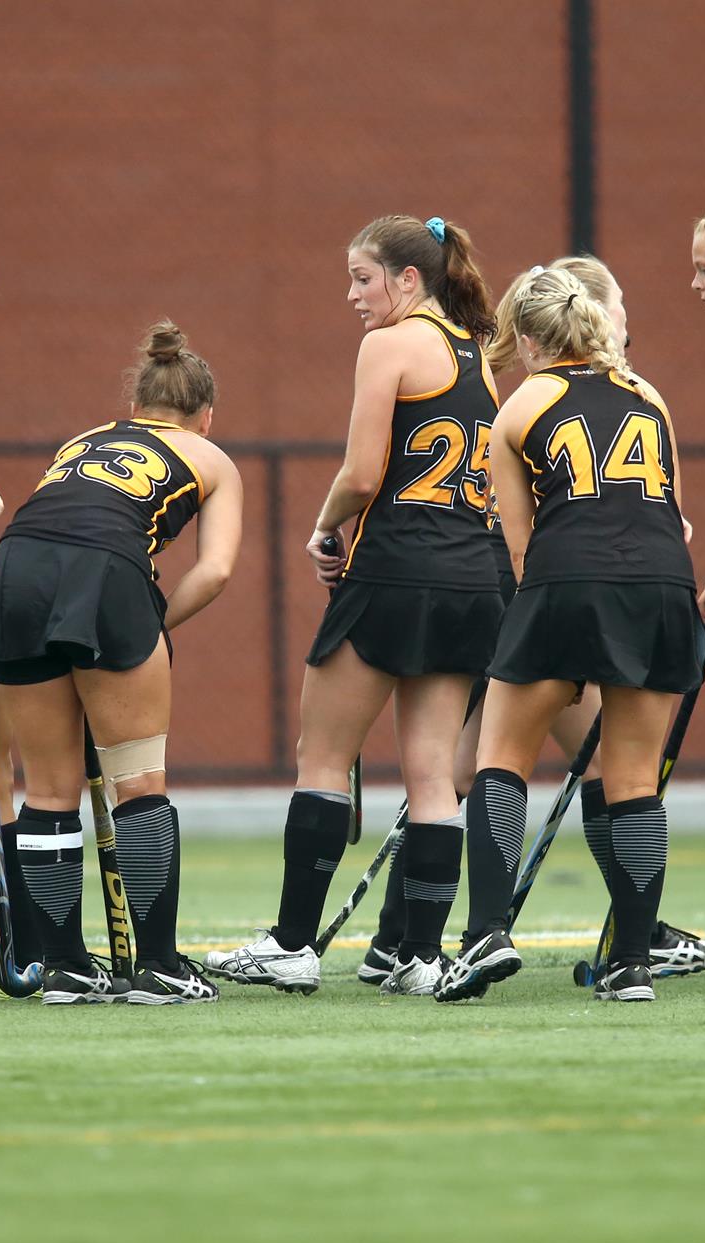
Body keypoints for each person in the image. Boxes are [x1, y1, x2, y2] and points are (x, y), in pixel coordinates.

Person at [359, 253, 705, 988]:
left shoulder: (521, 406)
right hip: (661, 586)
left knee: (500, 757)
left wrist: (553, 626)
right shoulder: (648, 394)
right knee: (632, 780)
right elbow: (676, 520)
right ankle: (631, 962)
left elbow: (522, 546)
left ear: (528, 341)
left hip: (564, 582)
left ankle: (487, 932)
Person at [207, 214, 503, 997]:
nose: (353, 296)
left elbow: (364, 472)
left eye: (363, 279)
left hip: (396, 572)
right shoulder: (481, 356)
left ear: (410, 280)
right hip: (473, 580)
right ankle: (420, 957)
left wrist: (323, 524)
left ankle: (292, 943)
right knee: (434, 776)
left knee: (323, 757)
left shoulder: (391, 345)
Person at [0, 321, 242, 1005]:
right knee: (139, 782)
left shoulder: (82, 440)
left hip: (16, 570)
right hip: (109, 574)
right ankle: (161, 967)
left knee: (49, 788)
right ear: (206, 415)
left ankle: (63, 967)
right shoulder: (211, 457)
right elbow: (215, 571)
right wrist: (150, 625)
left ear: (138, 405)